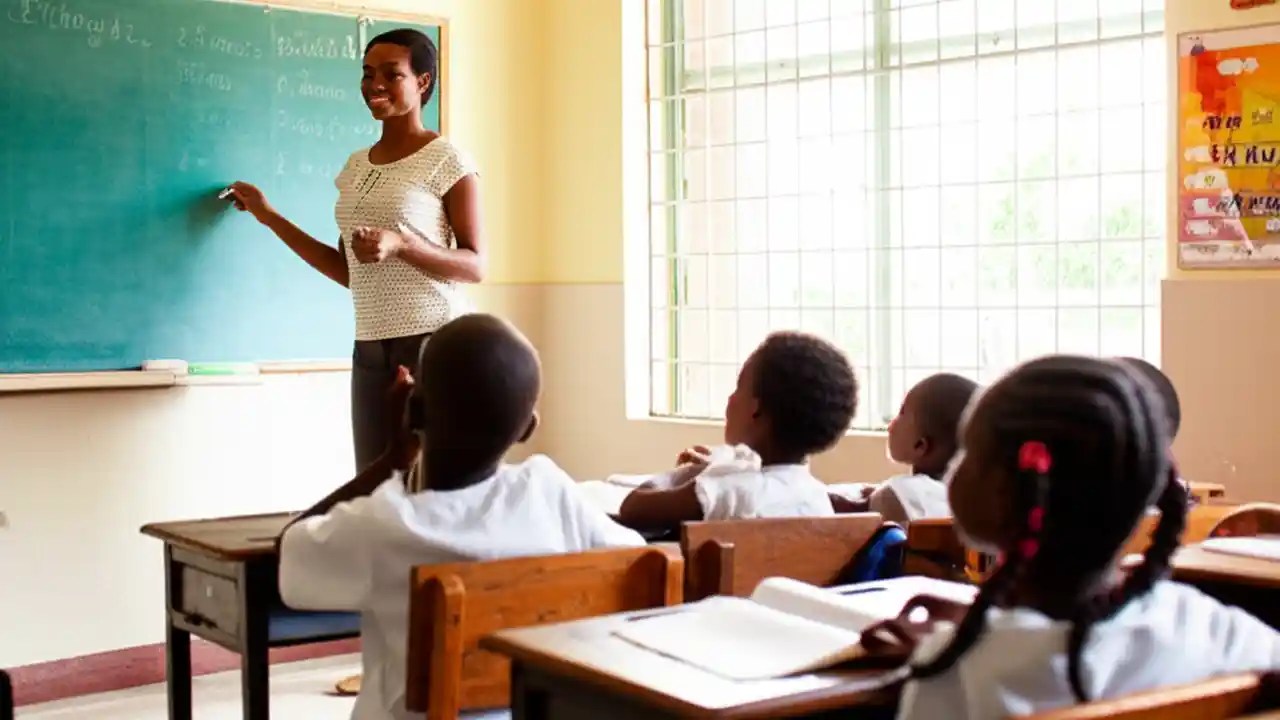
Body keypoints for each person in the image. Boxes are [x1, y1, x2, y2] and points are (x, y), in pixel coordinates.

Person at [277, 314, 644, 720]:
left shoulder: (383, 525)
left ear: (412, 412)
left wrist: (392, 458)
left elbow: (288, 557)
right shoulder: (550, 494)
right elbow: (637, 565)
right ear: (527, 428)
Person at [893, 355, 1280, 719]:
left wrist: (962, 639)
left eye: (968, 452)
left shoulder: (950, 669)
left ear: (999, 491)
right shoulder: (1210, 628)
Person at [228, 28, 483, 475]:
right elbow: (349, 271)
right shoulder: (355, 166)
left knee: (430, 482)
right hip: (369, 347)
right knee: (373, 479)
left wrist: (403, 244)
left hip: (431, 342)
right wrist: (269, 217)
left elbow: (476, 265)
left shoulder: (448, 160)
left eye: (391, 73)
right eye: (367, 74)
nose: (375, 85)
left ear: (423, 82)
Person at [615, 331, 857, 531]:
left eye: (738, 388)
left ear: (755, 410)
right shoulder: (817, 496)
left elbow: (634, 509)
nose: (730, 398)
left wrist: (686, 473)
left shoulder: (732, 488)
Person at [829, 373, 978, 524]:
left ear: (920, 445)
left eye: (902, 412)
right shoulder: (966, 500)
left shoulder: (902, 493)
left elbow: (851, 509)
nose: (892, 421)